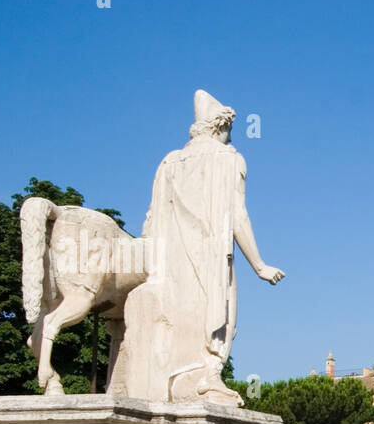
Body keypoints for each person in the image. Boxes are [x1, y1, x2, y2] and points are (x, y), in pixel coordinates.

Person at [111, 90, 285, 406]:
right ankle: (208, 378)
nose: (230, 136)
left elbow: (150, 219)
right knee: (220, 319)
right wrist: (259, 265)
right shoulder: (230, 158)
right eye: (229, 129)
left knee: (176, 321)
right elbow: (238, 215)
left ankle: (178, 382)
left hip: (169, 263)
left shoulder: (169, 162)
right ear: (220, 128)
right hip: (213, 258)